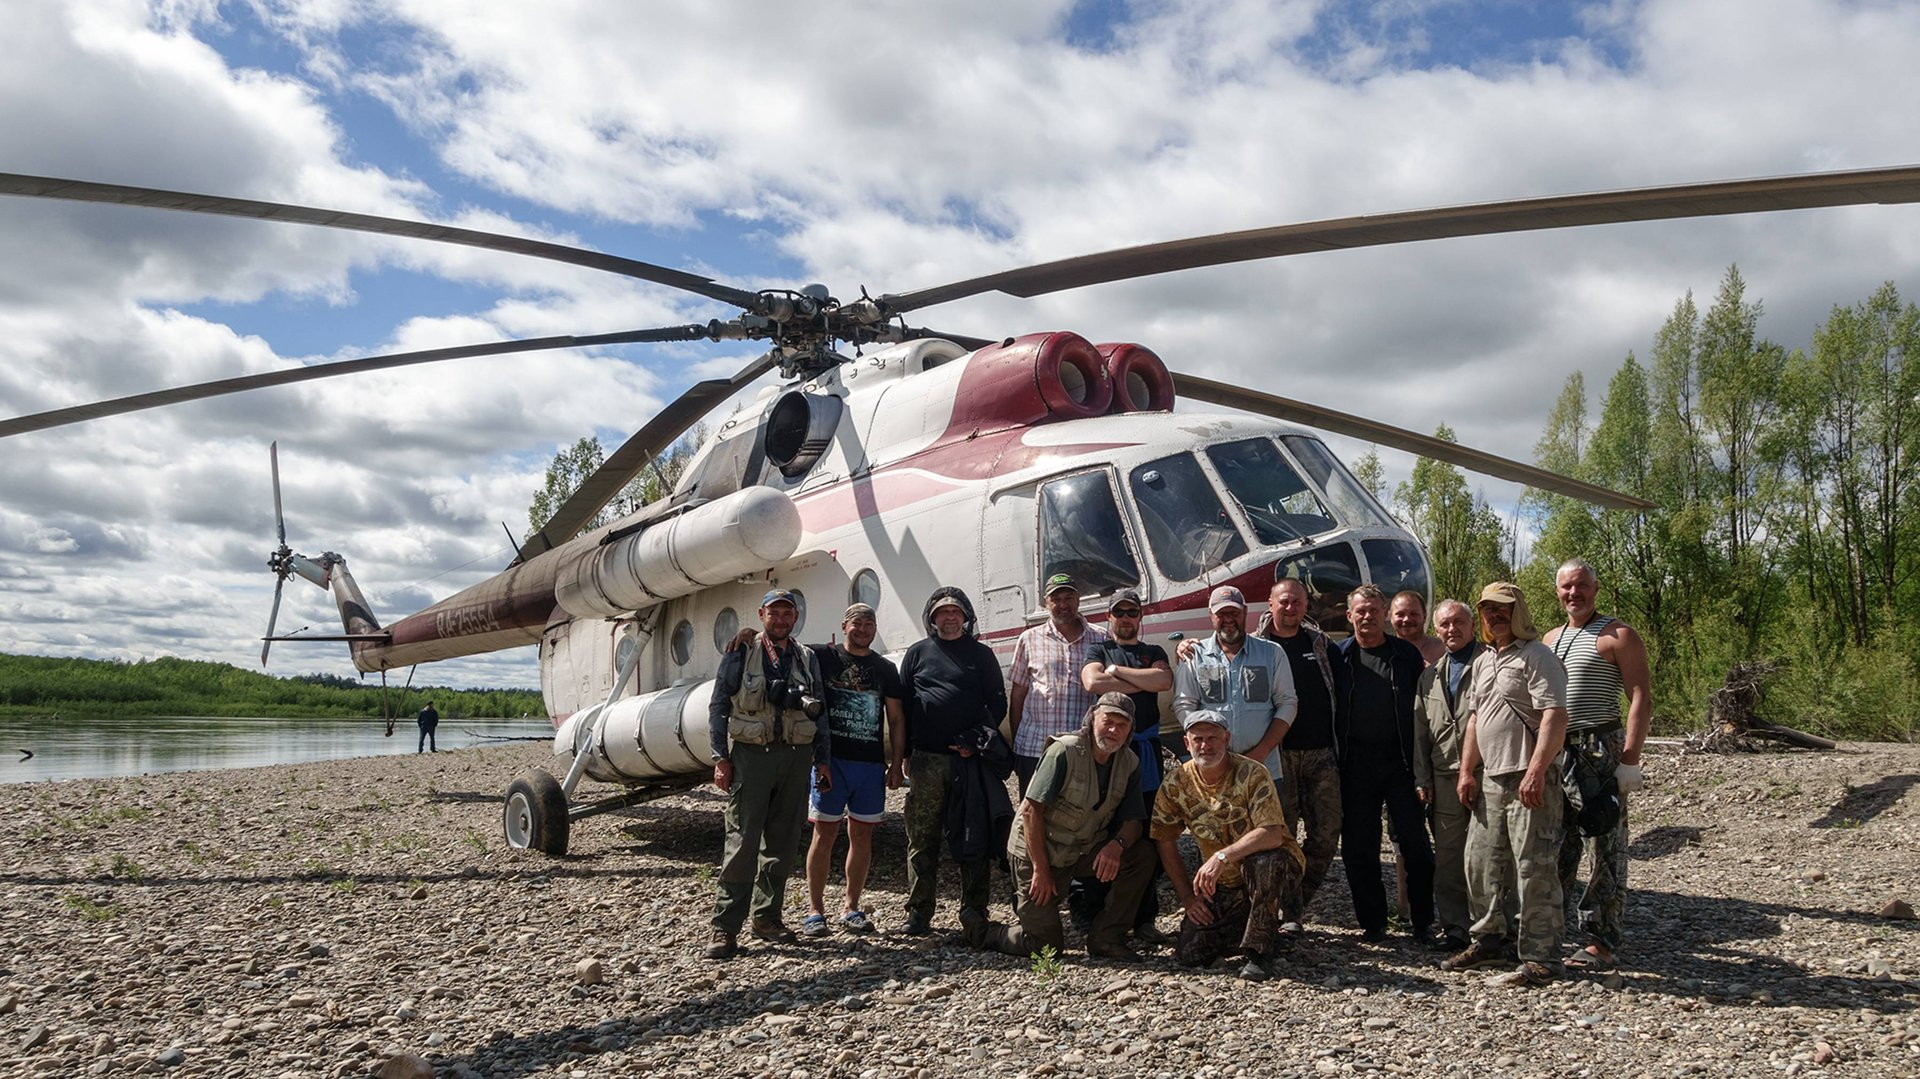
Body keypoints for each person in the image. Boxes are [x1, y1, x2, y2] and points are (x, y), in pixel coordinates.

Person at [964, 692, 1157, 961]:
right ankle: (984, 930)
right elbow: (1032, 811)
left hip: (1080, 850)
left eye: (1121, 725)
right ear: (1092, 720)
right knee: (1045, 948)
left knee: (1142, 855)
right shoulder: (1064, 751)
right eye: (1107, 721)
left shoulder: (1129, 763)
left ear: (1129, 732)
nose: (1113, 730)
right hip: (1038, 853)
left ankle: (1106, 938)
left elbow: (1134, 822)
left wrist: (1117, 845)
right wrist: (1041, 871)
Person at [1448, 582, 1569, 987]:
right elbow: (1476, 720)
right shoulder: (1483, 661)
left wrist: (1537, 769)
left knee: (1533, 866)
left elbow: (1554, 716)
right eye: (1487, 610)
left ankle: (1541, 956)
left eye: (1502, 609)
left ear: (1518, 611)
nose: (1494, 616)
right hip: (1491, 778)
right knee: (1480, 862)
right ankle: (1488, 939)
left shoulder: (1538, 657)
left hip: (1529, 775)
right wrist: (1467, 771)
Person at [703, 589, 831, 960]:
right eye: (774, 613)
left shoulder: (806, 657)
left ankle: (768, 917)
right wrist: (720, 757)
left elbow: (818, 713)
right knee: (742, 840)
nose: (781, 619)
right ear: (762, 615)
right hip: (751, 757)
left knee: (783, 841)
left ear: (795, 617)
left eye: (787, 613)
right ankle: (725, 927)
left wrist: (822, 760)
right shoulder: (742, 650)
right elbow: (719, 704)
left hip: (795, 757)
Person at [1544, 558, 1652, 972]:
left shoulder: (1617, 635)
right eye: (1567, 587)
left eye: (1582, 585)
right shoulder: (1551, 638)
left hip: (1598, 748)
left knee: (1605, 847)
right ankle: (1550, 929)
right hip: (1557, 750)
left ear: (1596, 587)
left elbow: (1640, 696)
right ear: (1557, 592)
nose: (1575, 593)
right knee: (1557, 845)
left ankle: (1600, 939)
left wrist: (1629, 760)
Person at [1151, 709, 1305, 981]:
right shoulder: (1176, 783)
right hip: (1225, 882)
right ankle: (1260, 928)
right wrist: (1188, 898)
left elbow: (1271, 833)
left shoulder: (1252, 772)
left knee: (1264, 861)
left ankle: (1259, 952)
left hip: (1275, 869)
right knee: (1191, 953)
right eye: (1198, 739)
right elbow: (1164, 839)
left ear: (1226, 739)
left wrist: (1222, 856)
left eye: (1213, 738)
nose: (1205, 745)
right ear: (1186, 743)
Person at [898, 586, 1008, 936]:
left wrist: (974, 742)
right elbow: (901, 708)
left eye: (955, 612)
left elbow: (997, 704)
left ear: (965, 617)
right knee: (922, 837)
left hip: (968, 761)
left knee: (973, 836)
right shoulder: (916, 654)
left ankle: (974, 911)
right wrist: (903, 754)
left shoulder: (982, 655)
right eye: (941, 613)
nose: (949, 617)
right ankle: (919, 912)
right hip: (927, 760)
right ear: (932, 619)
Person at [1335, 584, 1435, 944]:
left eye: (1374, 610)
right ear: (1350, 616)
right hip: (1355, 764)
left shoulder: (1405, 656)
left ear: (1385, 616)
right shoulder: (1338, 656)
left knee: (1415, 844)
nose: (1367, 616)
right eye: (1360, 610)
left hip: (1401, 762)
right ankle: (1374, 923)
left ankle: (1423, 921)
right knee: (1359, 847)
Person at [801, 603, 906, 937]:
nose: (863, 629)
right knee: (824, 833)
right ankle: (815, 910)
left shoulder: (885, 669)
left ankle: (851, 907)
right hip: (832, 763)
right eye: (857, 623)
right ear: (843, 625)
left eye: (869, 624)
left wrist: (897, 763)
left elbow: (897, 718)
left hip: (869, 765)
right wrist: (751, 636)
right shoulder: (822, 656)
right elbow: (782, 644)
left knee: (861, 836)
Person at [1079, 588, 1173, 943]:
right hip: (1109, 752)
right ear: (1109, 617)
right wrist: (1139, 677)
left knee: (1147, 830)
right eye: (1119, 612)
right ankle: (1096, 914)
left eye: (1132, 611)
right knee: (1101, 828)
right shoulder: (1097, 650)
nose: (1126, 617)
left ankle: (1145, 917)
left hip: (1146, 754)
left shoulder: (1155, 652)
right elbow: (1092, 681)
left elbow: (1164, 680)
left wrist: (1117, 672)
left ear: (1140, 617)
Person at [1413, 599, 1495, 950]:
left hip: (1489, 773)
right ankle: (1455, 928)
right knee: (1448, 856)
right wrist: (1422, 777)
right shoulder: (1430, 676)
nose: (1452, 629)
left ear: (1472, 625)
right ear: (1436, 629)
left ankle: (1491, 929)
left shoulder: (1492, 663)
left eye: (1458, 622)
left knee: (1489, 854)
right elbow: (1421, 731)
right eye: (1444, 624)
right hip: (1445, 777)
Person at [1172, 585, 1297, 795]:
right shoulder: (1194, 656)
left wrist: (1262, 750)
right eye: (1221, 613)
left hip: (1263, 768)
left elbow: (1288, 703)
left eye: (1234, 613)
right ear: (1211, 615)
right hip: (1212, 771)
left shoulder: (1272, 653)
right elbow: (1184, 704)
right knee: (1215, 828)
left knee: (1267, 827)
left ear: (1245, 612)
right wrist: (1207, 746)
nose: (1228, 619)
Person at [1008, 574, 1110, 788]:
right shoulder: (1028, 639)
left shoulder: (1101, 639)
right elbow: (1017, 696)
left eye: (1069, 597)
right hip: (1035, 748)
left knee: (1079, 815)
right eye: (1056, 599)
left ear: (1078, 600)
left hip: (1082, 747)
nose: (1063, 604)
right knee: (1033, 816)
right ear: (1046, 603)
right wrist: (1017, 743)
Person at [1391, 590, 1447, 666]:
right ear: (1390, 617)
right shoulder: (1383, 654)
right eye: (1400, 614)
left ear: (1424, 616)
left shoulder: (1444, 651)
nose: (1407, 619)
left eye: (1413, 614)